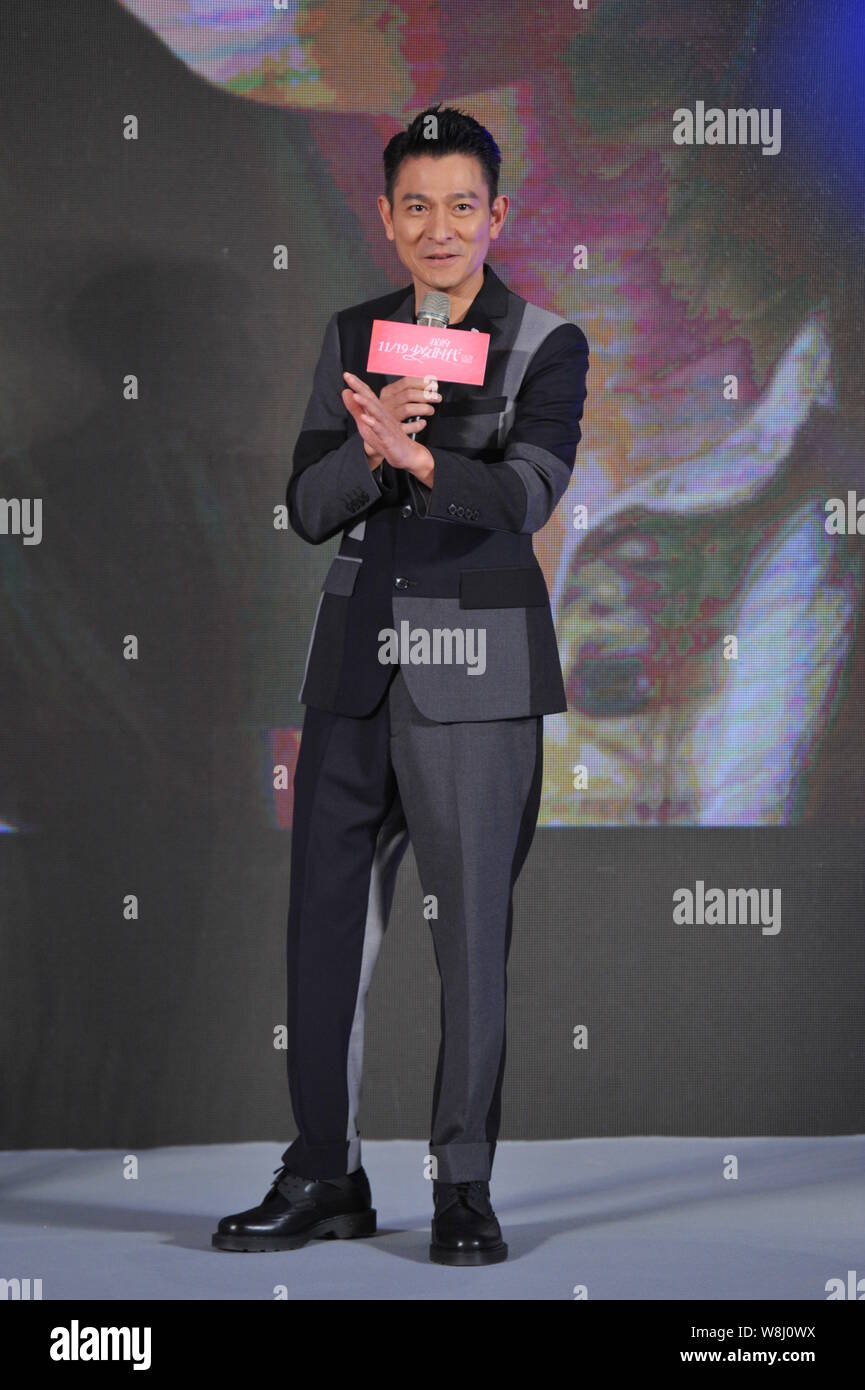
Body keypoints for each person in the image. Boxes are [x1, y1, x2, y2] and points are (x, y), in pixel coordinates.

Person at [213, 105, 589, 1266]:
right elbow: (304, 509)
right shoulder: (352, 334)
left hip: (475, 674)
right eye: (415, 206)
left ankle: (463, 1186)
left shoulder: (545, 340)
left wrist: (429, 459)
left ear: (496, 216)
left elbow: (528, 498)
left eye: (461, 206)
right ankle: (324, 1170)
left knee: (469, 936)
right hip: (354, 668)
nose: (439, 228)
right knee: (322, 931)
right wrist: (367, 452)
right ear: (385, 218)